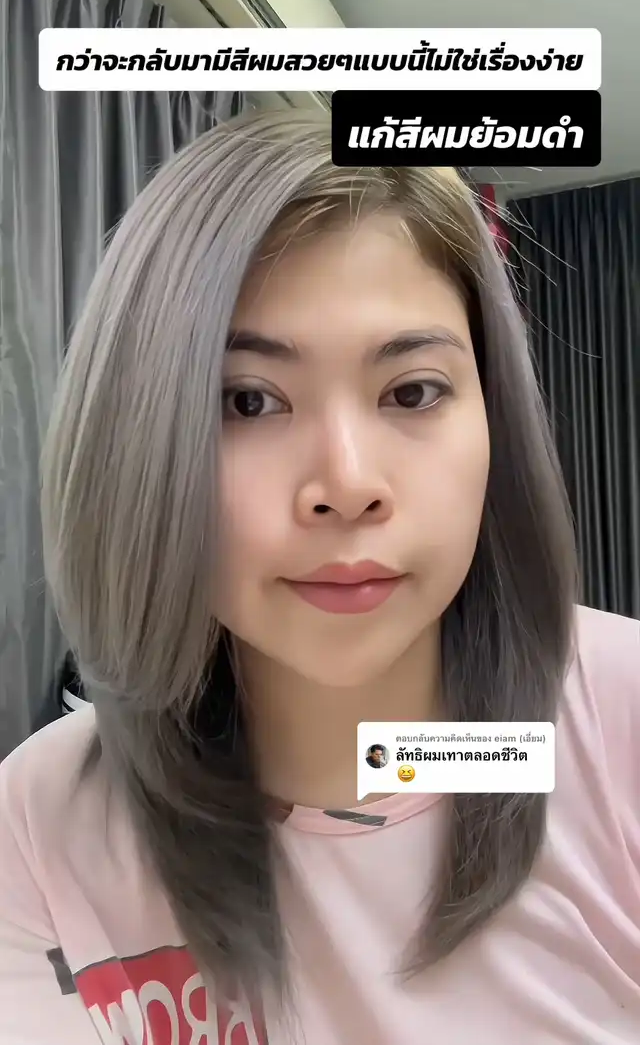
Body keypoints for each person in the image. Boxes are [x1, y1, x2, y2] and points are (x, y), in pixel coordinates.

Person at [0, 111, 638, 1045]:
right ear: (136, 438)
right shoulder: (42, 819)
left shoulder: (618, 719)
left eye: (412, 391)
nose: (346, 484)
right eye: (248, 401)